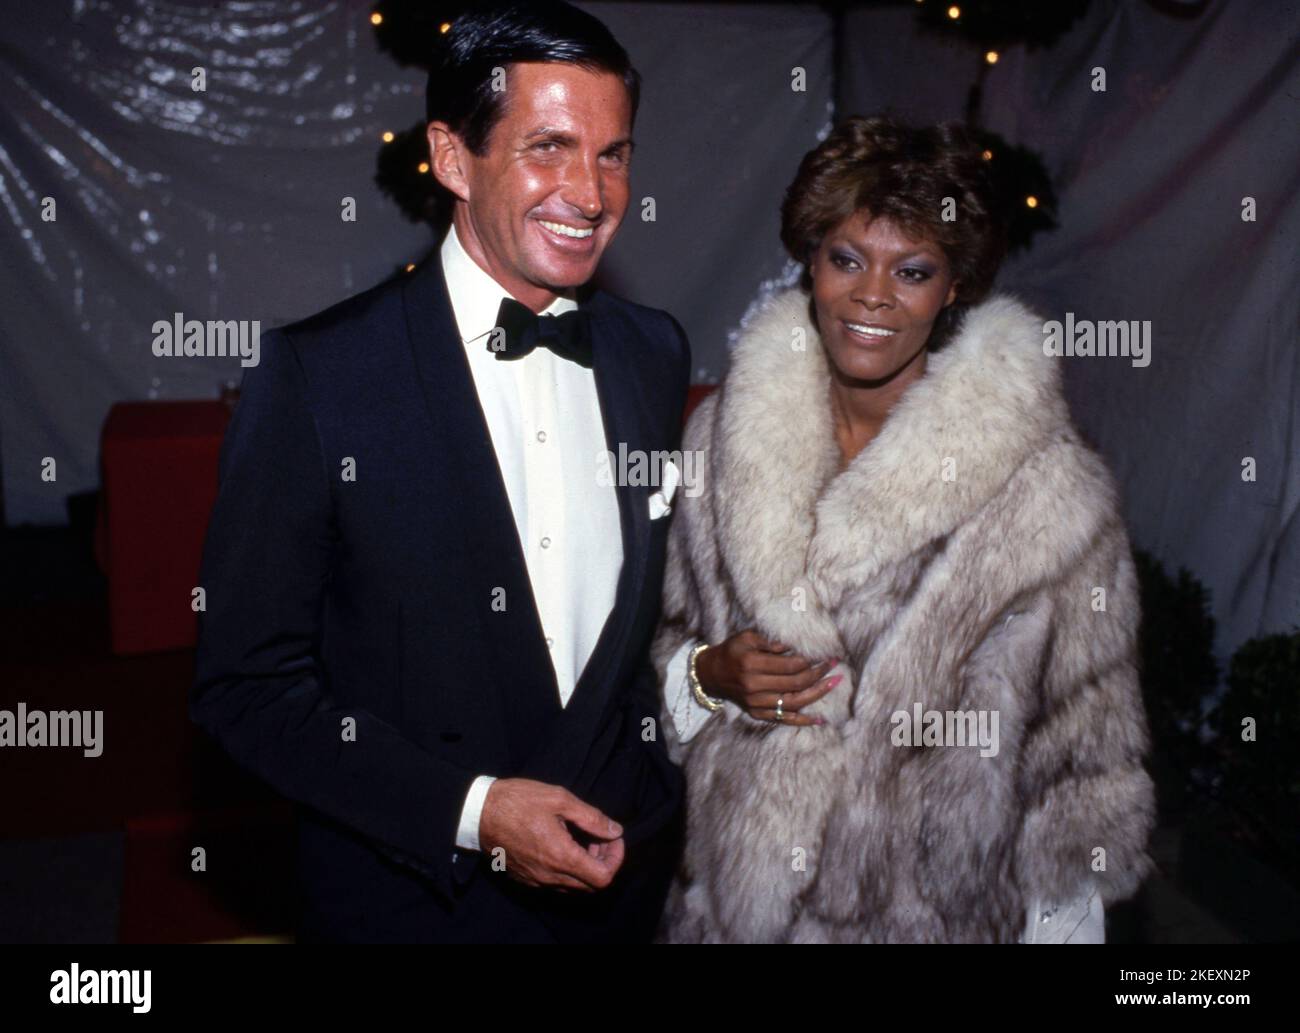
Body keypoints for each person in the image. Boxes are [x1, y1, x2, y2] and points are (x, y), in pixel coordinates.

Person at [192, 1, 689, 943]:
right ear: (454, 158)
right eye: (548, 147)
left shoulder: (652, 351)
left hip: (622, 890)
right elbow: (245, 687)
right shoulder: (320, 378)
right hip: (419, 903)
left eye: (613, 153)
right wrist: (473, 811)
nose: (591, 193)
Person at [651, 114, 1156, 943]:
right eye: (846, 257)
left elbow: (1081, 767)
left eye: (913, 270)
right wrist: (710, 673)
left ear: (954, 286)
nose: (873, 294)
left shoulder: (1048, 495)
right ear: (810, 262)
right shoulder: (719, 443)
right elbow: (668, 661)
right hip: (732, 919)